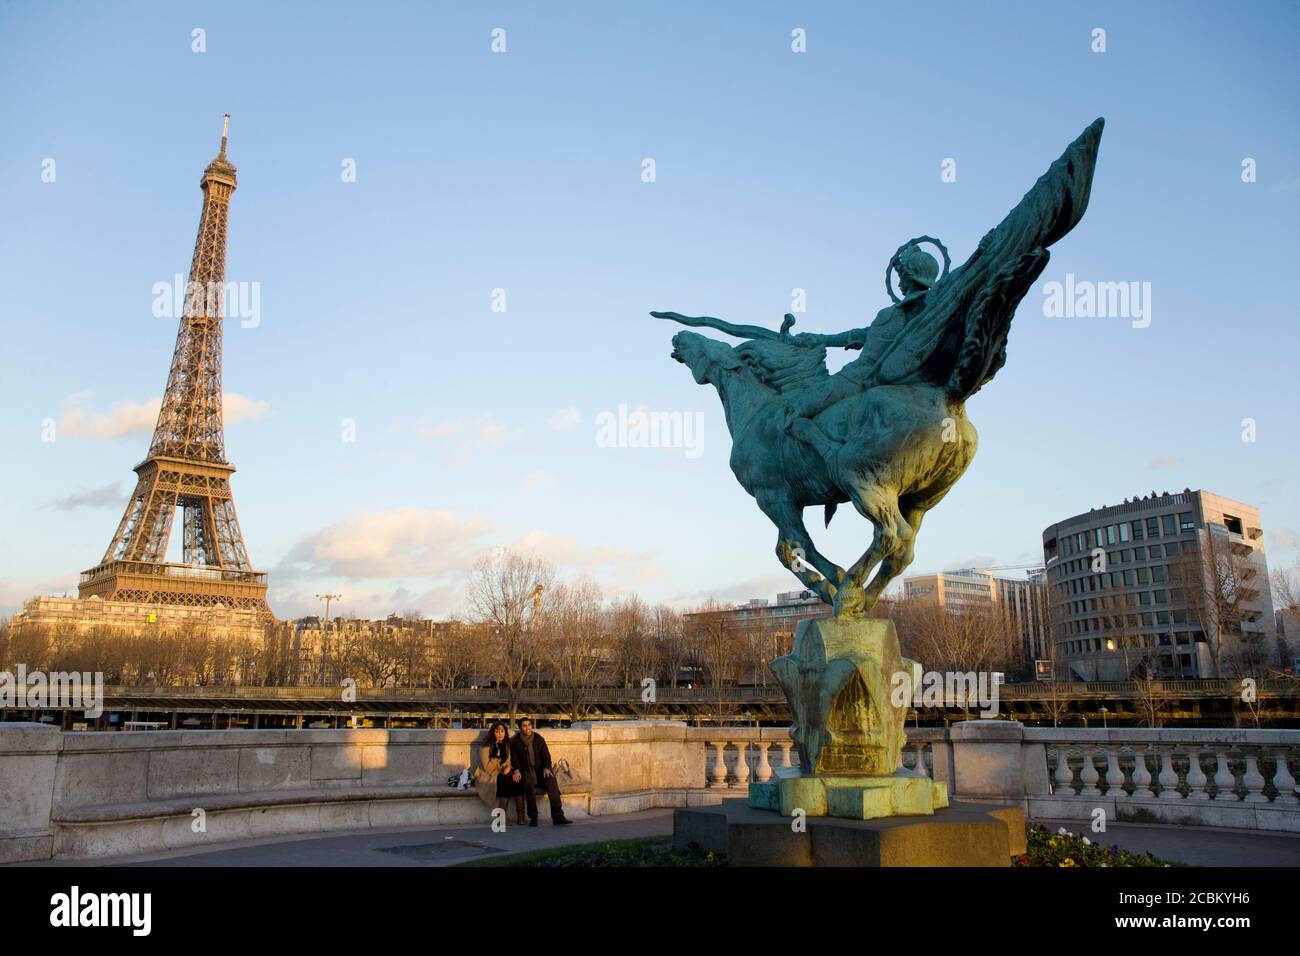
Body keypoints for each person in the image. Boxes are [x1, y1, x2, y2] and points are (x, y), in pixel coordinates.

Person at [508, 717, 572, 827]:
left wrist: (547, 767)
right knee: (528, 782)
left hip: (540, 771)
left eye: (529, 725)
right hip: (526, 772)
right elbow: (514, 759)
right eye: (524, 725)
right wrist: (517, 770)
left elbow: (546, 756)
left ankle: (558, 817)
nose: (527, 727)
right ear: (520, 728)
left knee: (551, 780)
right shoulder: (515, 742)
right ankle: (534, 817)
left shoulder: (538, 739)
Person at [475, 721, 526, 825]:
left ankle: (521, 816)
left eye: (502, 731)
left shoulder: (507, 745)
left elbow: (509, 762)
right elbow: (488, 768)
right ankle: (501, 817)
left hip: (505, 773)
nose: (500, 734)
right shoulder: (485, 747)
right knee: (505, 781)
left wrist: (511, 769)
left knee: (517, 780)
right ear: (492, 733)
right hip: (489, 775)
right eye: (497, 731)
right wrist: (496, 757)